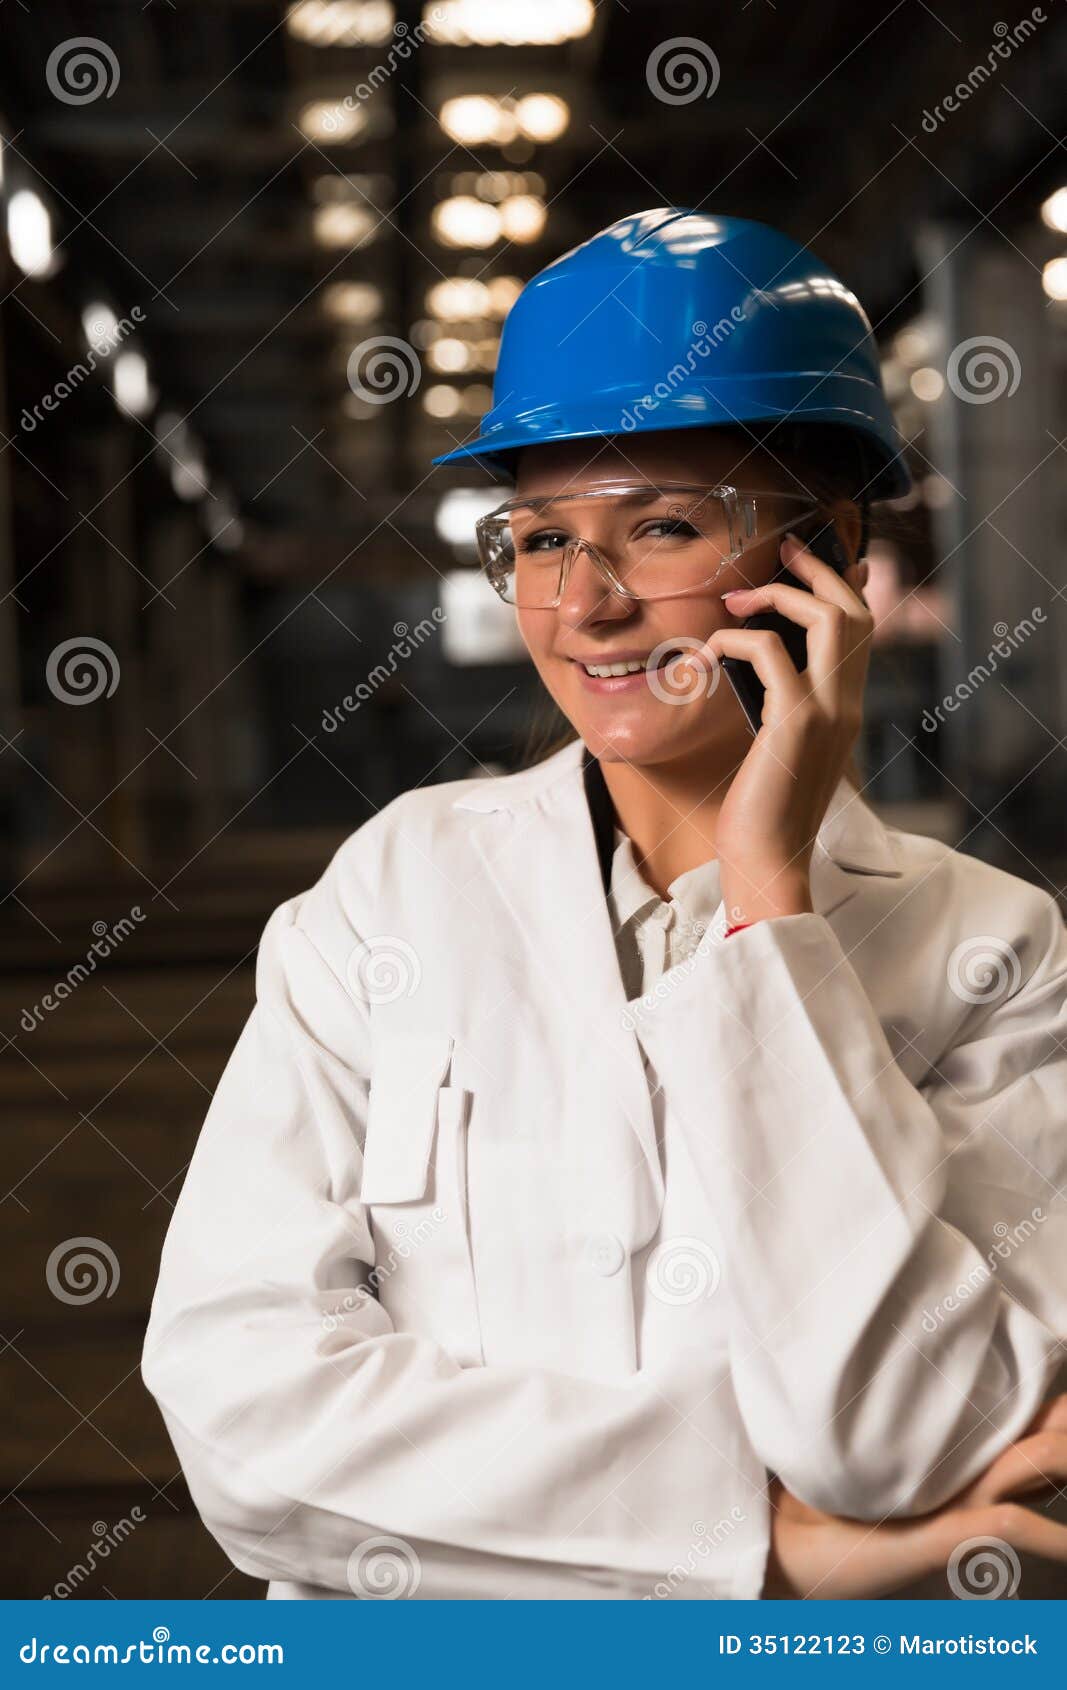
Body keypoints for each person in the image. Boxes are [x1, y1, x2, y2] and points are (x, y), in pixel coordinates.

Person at [142, 209, 1067, 1600]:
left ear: (825, 554)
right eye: (538, 537)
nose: (583, 603)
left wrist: (768, 906)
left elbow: (906, 1438)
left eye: (663, 528)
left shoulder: (995, 949)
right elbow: (243, 1416)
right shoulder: (389, 897)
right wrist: (751, 1535)